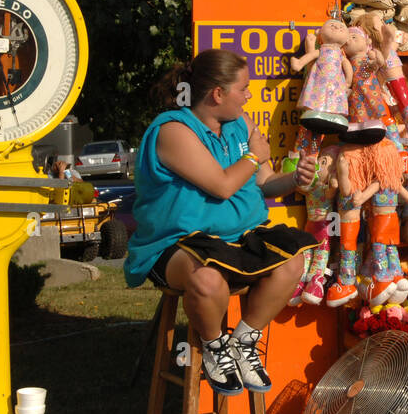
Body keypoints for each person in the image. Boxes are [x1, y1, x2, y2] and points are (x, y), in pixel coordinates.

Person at [125, 49, 317, 396]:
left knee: (292, 263)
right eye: (243, 88)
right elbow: (222, 184)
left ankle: (243, 342)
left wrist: (294, 180)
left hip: (236, 237)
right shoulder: (173, 131)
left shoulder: (240, 125)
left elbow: (263, 181)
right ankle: (216, 348)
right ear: (217, 93)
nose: (248, 96)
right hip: (178, 243)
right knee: (208, 280)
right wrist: (253, 155)